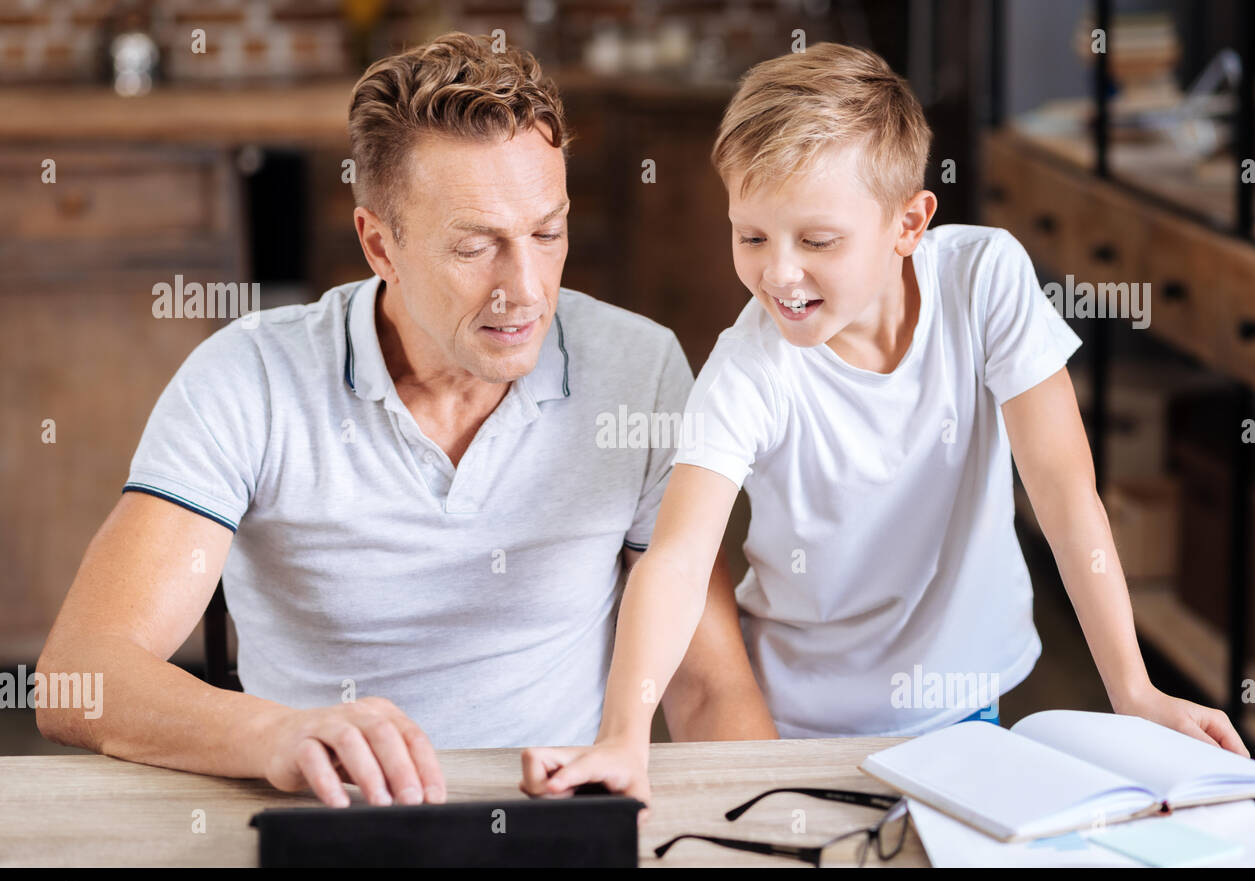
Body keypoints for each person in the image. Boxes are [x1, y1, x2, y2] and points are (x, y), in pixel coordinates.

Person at [36, 32, 775, 810]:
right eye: (474, 246)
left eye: (547, 233)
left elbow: (707, 687)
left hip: (548, 826)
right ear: (379, 244)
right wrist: (274, 735)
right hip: (324, 819)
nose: (524, 289)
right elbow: (80, 673)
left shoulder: (641, 370)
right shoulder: (248, 379)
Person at [520, 42, 1248, 806]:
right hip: (801, 728)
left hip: (967, 706)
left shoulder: (985, 279)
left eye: (818, 241)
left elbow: (1066, 498)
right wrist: (625, 734)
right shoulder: (747, 369)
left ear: (909, 223)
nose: (778, 273)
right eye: (752, 235)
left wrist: (1133, 692)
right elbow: (675, 560)